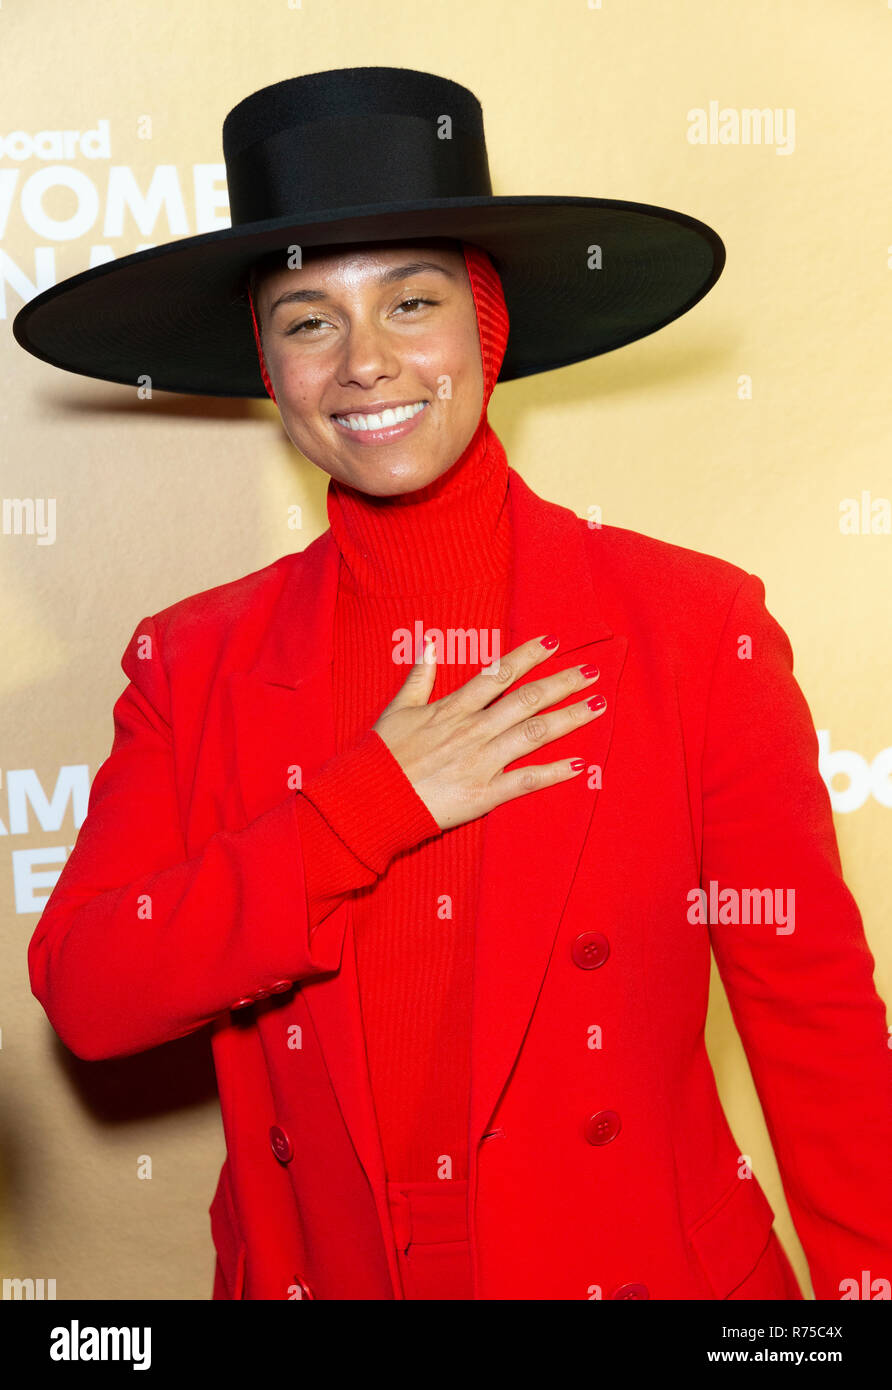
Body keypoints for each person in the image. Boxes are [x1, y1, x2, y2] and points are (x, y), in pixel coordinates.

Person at [16, 67, 892, 1302]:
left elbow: (818, 1032)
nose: (365, 362)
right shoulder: (192, 658)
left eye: (411, 302)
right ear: (268, 366)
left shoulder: (693, 626)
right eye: (309, 318)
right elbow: (94, 993)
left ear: (486, 328)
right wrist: (365, 805)